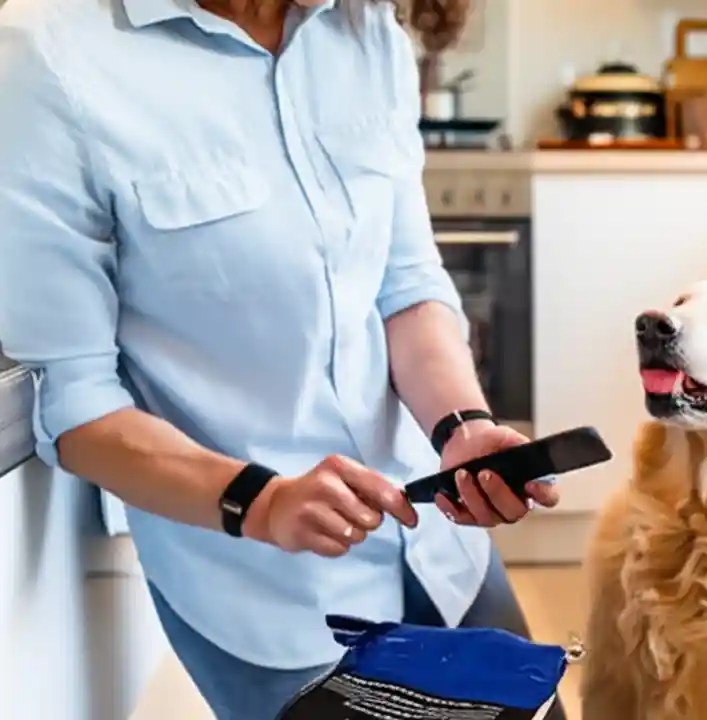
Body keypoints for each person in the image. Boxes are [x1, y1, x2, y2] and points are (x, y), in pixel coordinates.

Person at [0, 0, 569, 718]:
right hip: (267, 595)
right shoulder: (51, 63)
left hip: (440, 548)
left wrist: (462, 429)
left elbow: (405, 285)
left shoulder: (367, 33)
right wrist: (263, 503)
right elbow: (76, 405)